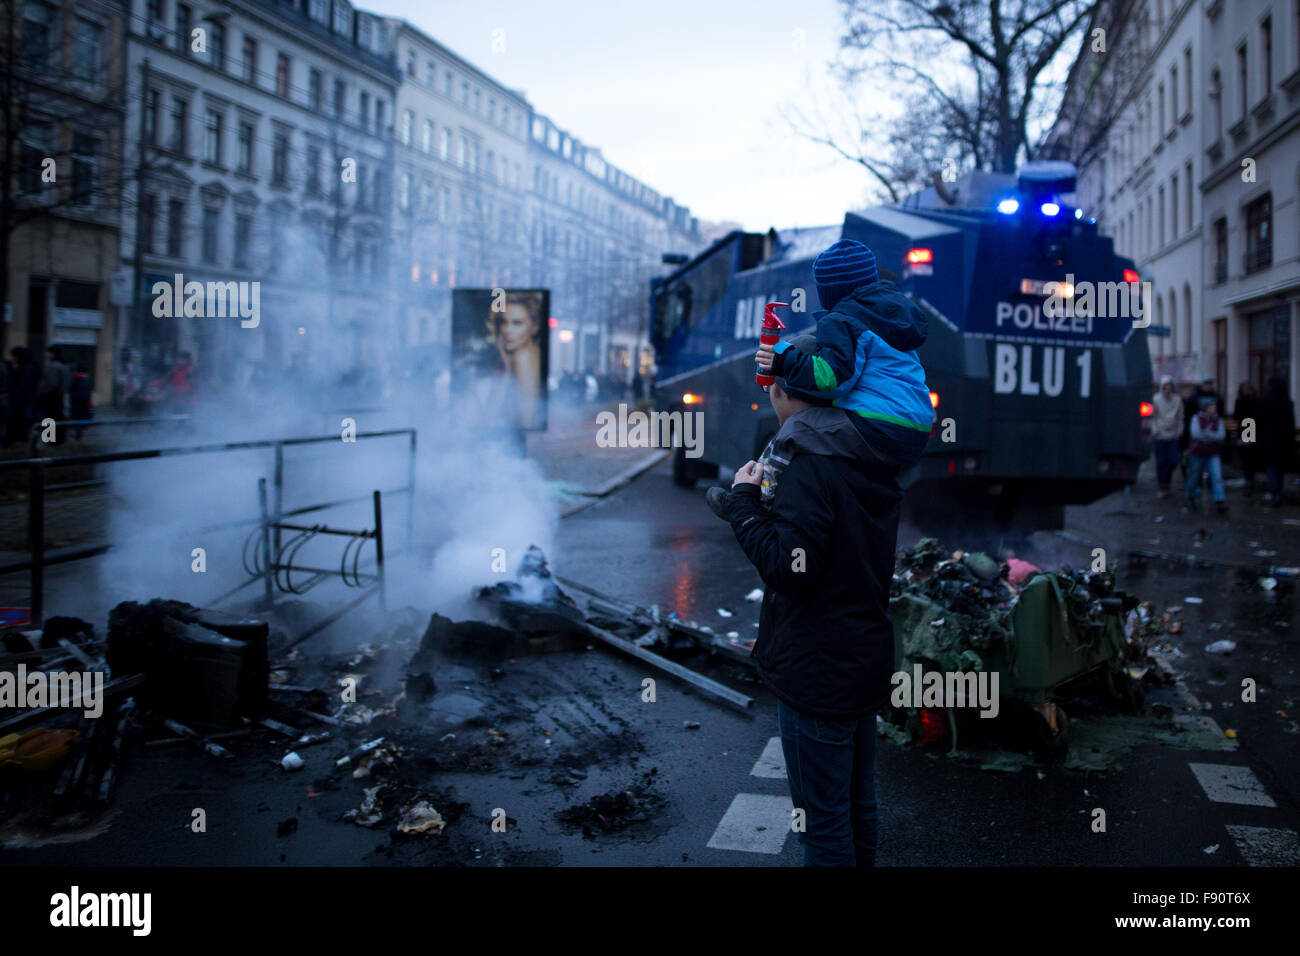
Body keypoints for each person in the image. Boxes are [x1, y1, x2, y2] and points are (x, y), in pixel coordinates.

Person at [720, 334, 903, 867]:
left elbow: (790, 568)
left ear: (780, 389)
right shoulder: (869, 448)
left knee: (822, 825)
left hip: (816, 665)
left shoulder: (803, 458)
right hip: (862, 655)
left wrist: (744, 505)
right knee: (857, 806)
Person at [756, 238, 933, 468]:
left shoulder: (842, 320)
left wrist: (784, 359)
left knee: (797, 427)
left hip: (878, 424)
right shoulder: (890, 315)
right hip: (917, 428)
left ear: (829, 291)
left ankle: (759, 490)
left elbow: (831, 379)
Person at [491, 297, 544, 429]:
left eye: (517, 323)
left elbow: (526, 422)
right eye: (504, 322)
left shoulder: (523, 357)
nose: (507, 330)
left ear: (534, 327)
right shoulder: (522, 355)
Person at [1257, 376, 1295, 507]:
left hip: (1267, 440)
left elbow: (1256, 421)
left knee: (1271, 467)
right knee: (1280, 468)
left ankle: (1275, 492)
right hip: (1283, 441)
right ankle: (1278, 490)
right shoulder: (1287, 403)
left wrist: (1249, 437)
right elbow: (1290, 425)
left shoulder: (1264, 401)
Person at [1186, 399, 1227, 514]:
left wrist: (1206, 433)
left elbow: (1221, 435)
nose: (1214, 408)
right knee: (1194, 476)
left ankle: (1219, 500)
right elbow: (1195, 434)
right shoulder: (1197, 418)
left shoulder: (1217, 419)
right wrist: (1211, 436)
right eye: (1211, 406)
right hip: (1198, 452)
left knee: (1216, 476)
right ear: (1205, 408)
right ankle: (1191, 497)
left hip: (1213, 452)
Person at [1151, 375, 1183, 498]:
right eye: (1166, 386)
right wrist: (1156, 431)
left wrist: (1179, 431)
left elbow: (1180, 417)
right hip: (1160, 435)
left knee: (1173, 460)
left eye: (1170, 386)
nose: (1168, 388)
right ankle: (1162, 486)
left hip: (1173, 436)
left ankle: (1167, 482)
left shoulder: (1177, 400)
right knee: (1161, 462)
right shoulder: (1156, 399)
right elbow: (1153, 417)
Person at [1234, 382, 1261, 493]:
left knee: (1246, 456)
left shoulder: (1240, 401)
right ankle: (1251, 477)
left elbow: (1237, 415)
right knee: (1251, 455)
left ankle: (1248, 478)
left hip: (1245, 427)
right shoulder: (1256, 400)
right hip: (1252, 427)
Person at [37, 346, 71, 422]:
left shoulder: (54, 367)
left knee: (51, 419)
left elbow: (52, 384)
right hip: (59, 397)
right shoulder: (64, 366)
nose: (46, 354)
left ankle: (51, 434)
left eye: (48, 353)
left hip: (52, 398)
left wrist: (43, 393)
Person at [69, 364, 93, 439]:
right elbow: (85, 395)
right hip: (82, 406)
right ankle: (77, 436)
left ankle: (77, 435)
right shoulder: (83, 381)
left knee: (78, 421)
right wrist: (89, 403)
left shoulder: (75, 379)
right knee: (82, 422)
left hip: (76, 405)